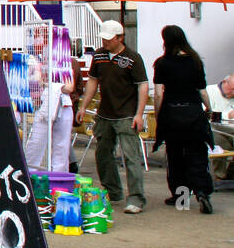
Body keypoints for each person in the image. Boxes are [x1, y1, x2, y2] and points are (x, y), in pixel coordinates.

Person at [75, 20, 148, 214]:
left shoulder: (133, 58)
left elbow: (143, 85)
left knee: (131, 156)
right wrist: (84, 106)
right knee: (103, 154)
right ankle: (113, 190)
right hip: (105, 113)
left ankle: (136, 197)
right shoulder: (99, 55)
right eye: (104, 39)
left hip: (126, 114)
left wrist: (139, 114)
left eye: (109, 39)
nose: (105, 42)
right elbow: (93, 80)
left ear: (120, 38)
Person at [153, 25, 214, 214]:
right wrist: (209, 109)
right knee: (197, 153)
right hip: (194, 113)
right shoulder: (195, 61)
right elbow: (202, 90)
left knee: (176, 156)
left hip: (172, 114)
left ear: (166, 41)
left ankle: (181, 197)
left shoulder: (162, 63)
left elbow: (158, 94)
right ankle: (202, 191)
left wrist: (158, 114)